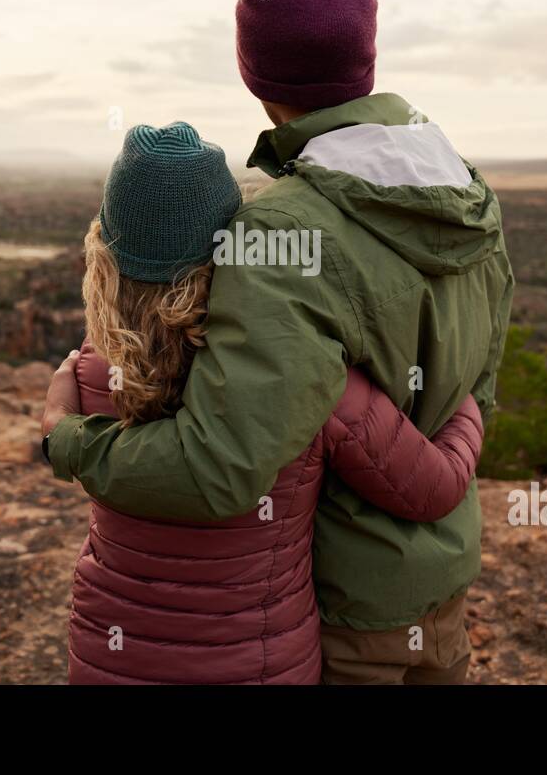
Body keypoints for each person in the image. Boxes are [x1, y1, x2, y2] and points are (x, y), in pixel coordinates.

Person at [43, 0, 514, 684]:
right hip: (443, 567)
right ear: (367, 59)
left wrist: (69, 440)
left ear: (253, 75)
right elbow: (482, 371)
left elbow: (217, 464)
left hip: (351, 599)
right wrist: (465, 424)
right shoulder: (462, 187)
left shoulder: (276, 233)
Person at [60, 120, 484, 683]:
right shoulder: (299, 370)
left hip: (108, 656)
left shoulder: (86, 371)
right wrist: (466, 399)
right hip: (257, 663)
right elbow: (432, 488)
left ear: (105, 255)